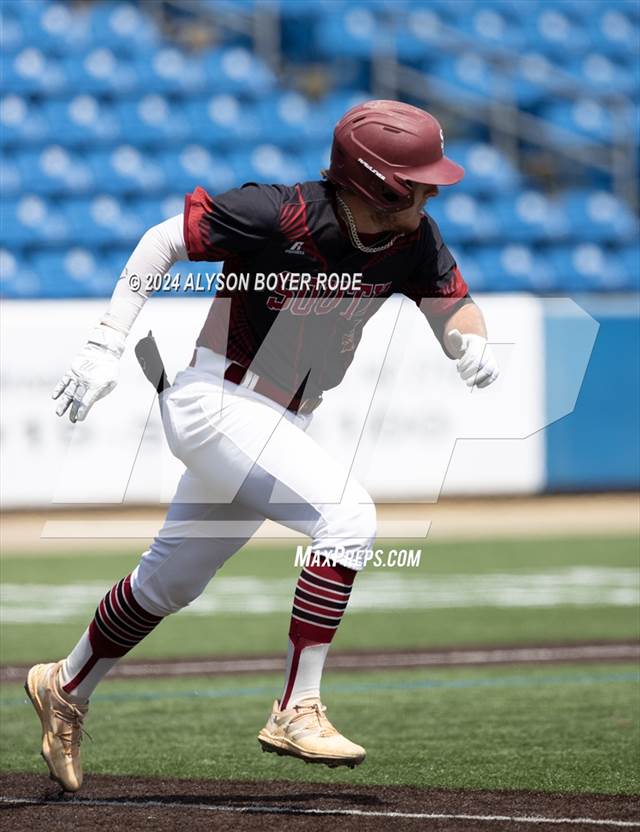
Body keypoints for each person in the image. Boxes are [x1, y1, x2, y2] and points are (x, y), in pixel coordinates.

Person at [25, 99, 499, 792]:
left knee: (169, 581)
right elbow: (161, 242)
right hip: (216, 398)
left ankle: (64, 683)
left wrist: (470, 340)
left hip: (279, 418)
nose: (432, 191)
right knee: (348, 517)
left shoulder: (414, 239)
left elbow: (454, 302)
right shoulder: (280, 212)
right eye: (420, 179)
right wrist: (104, 345)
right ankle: (295, 707)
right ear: (378, 182)